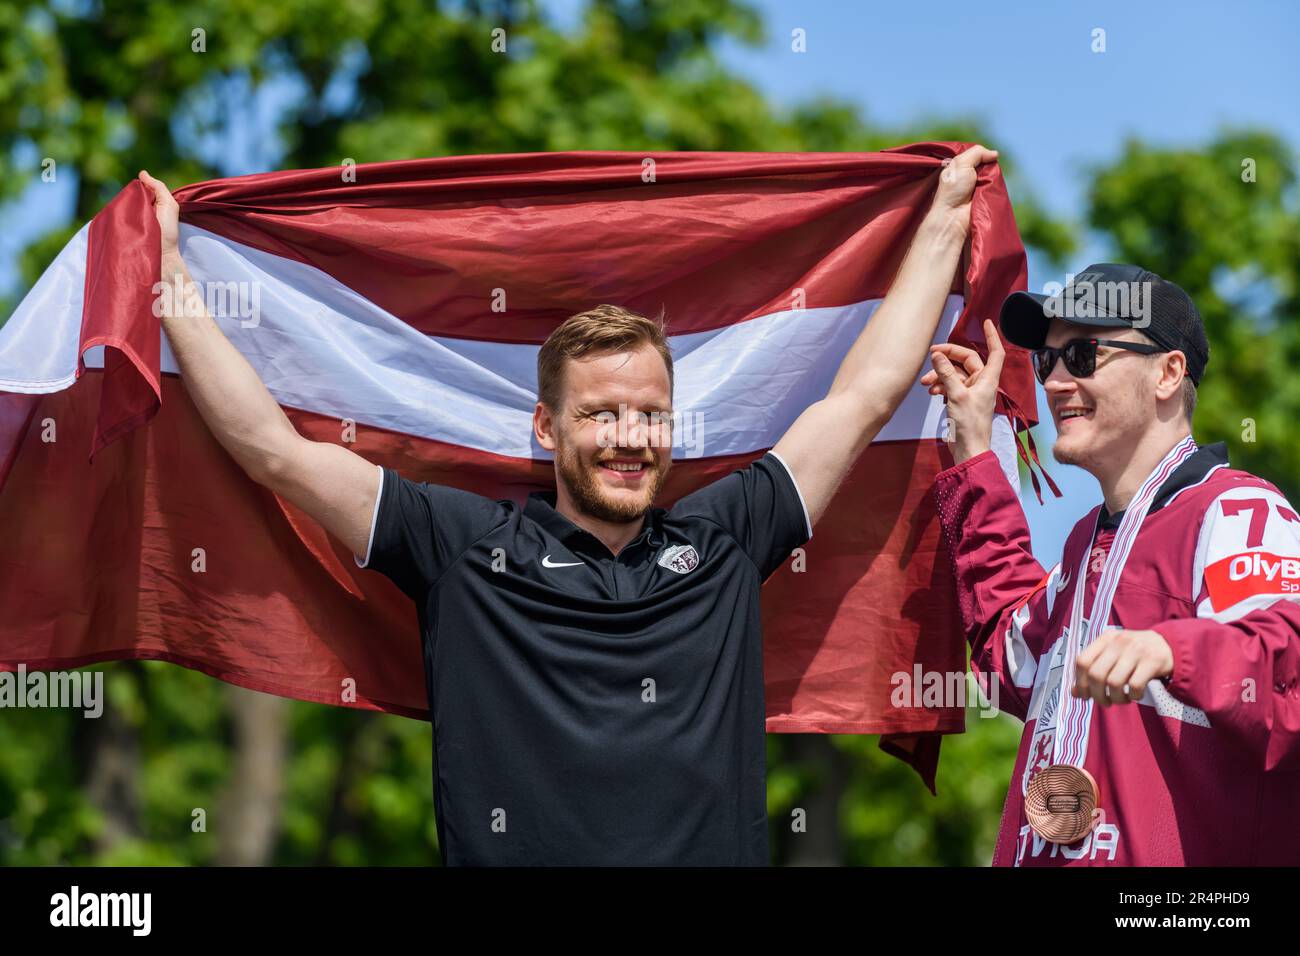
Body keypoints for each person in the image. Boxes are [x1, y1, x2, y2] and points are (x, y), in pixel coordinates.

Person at [137, 144, 997, 865]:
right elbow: (270, 449)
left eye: (650, 415)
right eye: (601, 415)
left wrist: (946, 215)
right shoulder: (460, 544)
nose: (629, 437)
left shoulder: (729, 535)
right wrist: (169, 270)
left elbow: (866, 395)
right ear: (548, 427)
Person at [924, 264, 1300, 866]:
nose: (1052, 384)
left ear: (1168, 374)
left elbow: (1288, 678)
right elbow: (1011, 655)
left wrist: (1175, 650)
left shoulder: (1234, 510)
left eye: (1081, 354)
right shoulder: (1084, 545)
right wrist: (974, 448)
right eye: (1047, 363)